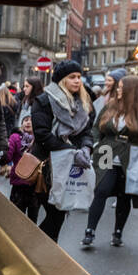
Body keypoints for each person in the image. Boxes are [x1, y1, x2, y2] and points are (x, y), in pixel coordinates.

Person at [84, 74, 138, 248]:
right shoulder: (111, 106)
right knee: (101, 189)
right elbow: (97, 127)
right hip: (106, 152)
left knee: (124, 195)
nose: (117, 90)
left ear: (131, 90)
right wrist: (97, 143)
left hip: (133, 154)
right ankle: (90, 230)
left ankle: (118, 232)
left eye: (121, 87)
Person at [31, 60, 95, 241]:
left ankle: (43, 254)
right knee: (56, 213)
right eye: (72, 77)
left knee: (59, 214)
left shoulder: (82, 102)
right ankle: (38, 253)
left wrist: (86, 148)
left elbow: (87, 132)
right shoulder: (44, 100)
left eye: (79, 77)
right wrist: (71, 150)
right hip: (46, 165)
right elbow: (42, 134)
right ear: (61, 80)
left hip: (70, 165)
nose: (77, 81)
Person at [3, 116, 43, 222]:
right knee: (16, 219)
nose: (28, 123)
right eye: (25, 120)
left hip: (34, 185)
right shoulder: (15, 137)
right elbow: (8, 156)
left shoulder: (40, 139)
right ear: (22, 124)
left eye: (31, 120)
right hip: (18, 183)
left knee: (32, 221)